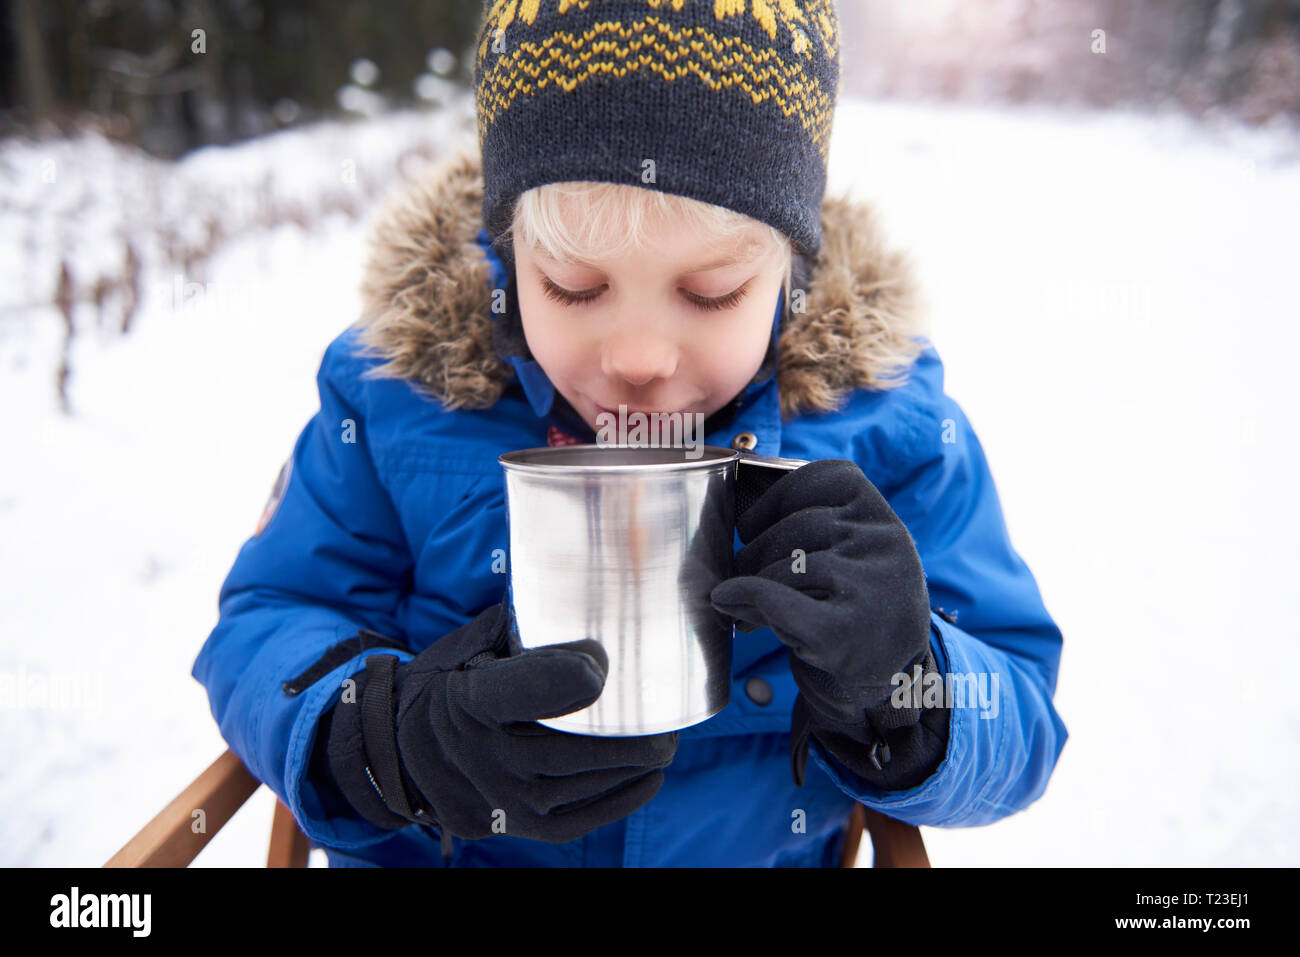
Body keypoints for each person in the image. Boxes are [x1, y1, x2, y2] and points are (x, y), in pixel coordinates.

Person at [193, 0, 1068, 867]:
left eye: (711, 293)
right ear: (509, 252)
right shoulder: (395, 399)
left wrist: (911, 688)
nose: (640, 358)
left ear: (789, 270)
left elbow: (1023, 713)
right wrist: (388, 739)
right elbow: (269, 619)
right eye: (575, 288)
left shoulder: (891, 426)